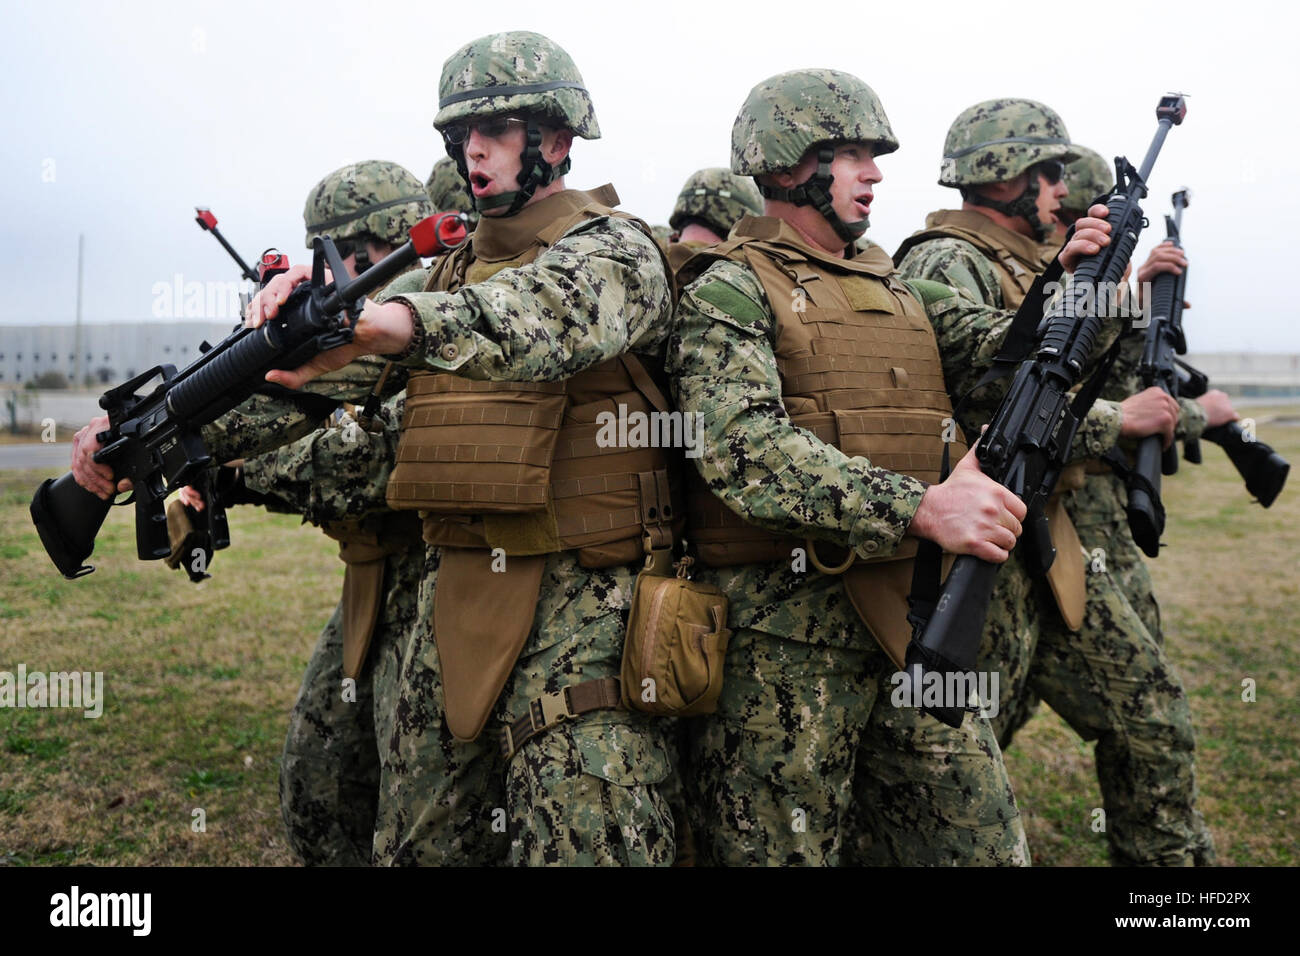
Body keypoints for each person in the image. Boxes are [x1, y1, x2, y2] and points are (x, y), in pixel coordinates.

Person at [244, 31, 682, 866]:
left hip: (595, 612)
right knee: (414, 845)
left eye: (497, 130)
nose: (471, 150)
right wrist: (162, 423)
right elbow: (306, 390)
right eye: (459, 136)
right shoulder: (442, 276)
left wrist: (390, 325)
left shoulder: (619, 251)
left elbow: (536, 317)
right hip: (454, 606)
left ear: (556, 139)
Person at [666, 70, 1116, 865]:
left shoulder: (903, 289)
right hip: (783, 647)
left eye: (873, 156)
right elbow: (741, 446)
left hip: (912, 622)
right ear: (788, 162)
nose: (873, 172)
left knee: (979, 844)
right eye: (851, 154)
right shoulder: (730, 290)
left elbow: (1002, 352)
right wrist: (920, 507)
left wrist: (1073, 281)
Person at [895, 106, 1227, 865]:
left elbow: (1079, 374)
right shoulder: (945, 259)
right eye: (1045, 171)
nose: (1058, 186)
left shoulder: (1026, 258)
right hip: (983, 533)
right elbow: (994, 393)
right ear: (998, 172)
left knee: (1149, 713)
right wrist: (1078, 294)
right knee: (952, 756)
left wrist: (1119, 290)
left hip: (1044, 533)